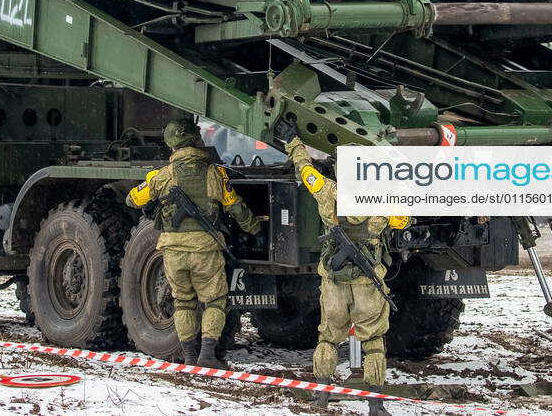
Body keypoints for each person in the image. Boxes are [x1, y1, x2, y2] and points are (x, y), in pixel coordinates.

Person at [273, 118, 408, 416]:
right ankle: (375, 404)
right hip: (367, 282)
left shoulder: (327, 191)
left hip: (333, 281)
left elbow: (305, 171)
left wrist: (293, 142)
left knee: (328, 336)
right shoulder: (382, 197)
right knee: (373, 341)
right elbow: (402, 221)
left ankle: (322, 396)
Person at [125, 118, 262, 369]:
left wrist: (152, 197)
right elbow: (235, 207)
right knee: (214, 301)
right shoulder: (215, 173)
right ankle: (208, 353)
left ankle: (189, 355)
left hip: (173, 251)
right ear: (196, 140)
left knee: (183, 302)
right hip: (205, 250)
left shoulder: (160, 176)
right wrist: (254, 228)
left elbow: (132, 199)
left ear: (171, 144)